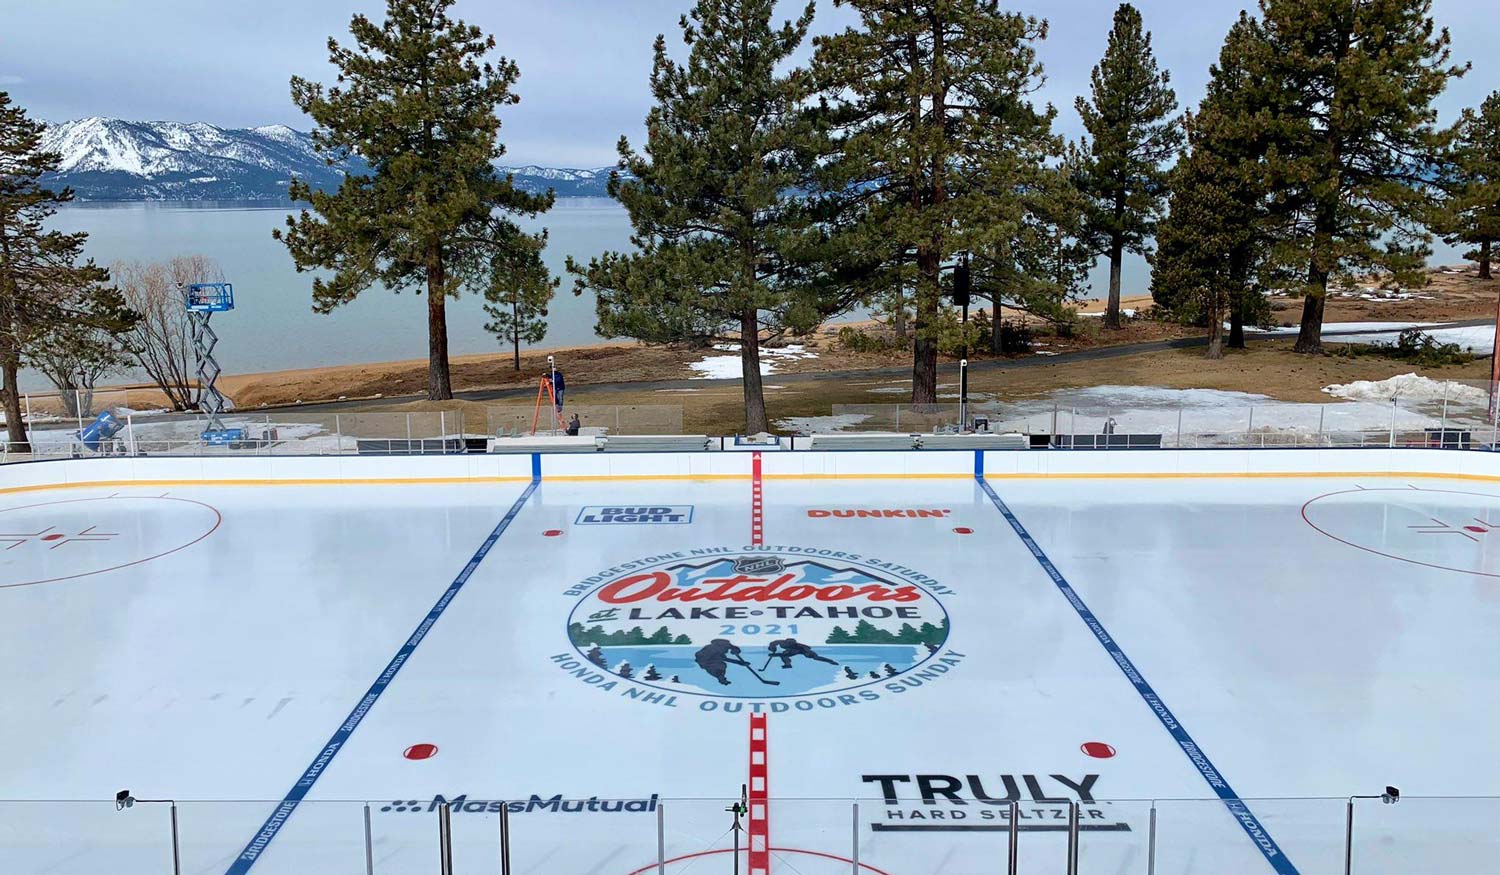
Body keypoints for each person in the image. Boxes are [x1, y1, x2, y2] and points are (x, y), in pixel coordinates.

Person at [767, 638, 838, 669]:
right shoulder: (780, 642)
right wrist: (773, 649)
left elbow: (808, 650)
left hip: (800, 650)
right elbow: (772, 644)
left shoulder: (800, 646)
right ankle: (788, 664)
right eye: (788, 643)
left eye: (791, 643)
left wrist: (775, 655)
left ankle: (830, 661)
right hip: (792, 650)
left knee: (816, 657)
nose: (789, 644)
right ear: (785, 642)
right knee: (784, 655)